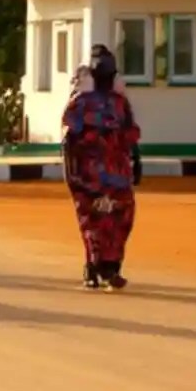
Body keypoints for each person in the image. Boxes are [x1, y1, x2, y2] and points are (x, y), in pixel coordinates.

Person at [61, 46, 140, 291]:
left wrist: (136, 162)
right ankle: (94, 267)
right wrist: (70, 175)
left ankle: (110, 266)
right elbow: (68, 141)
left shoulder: (119, 102)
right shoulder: (80, 103)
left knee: (118, 220)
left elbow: (131, 135)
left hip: (116, 175)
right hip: (89, 176)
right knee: (95, 222)